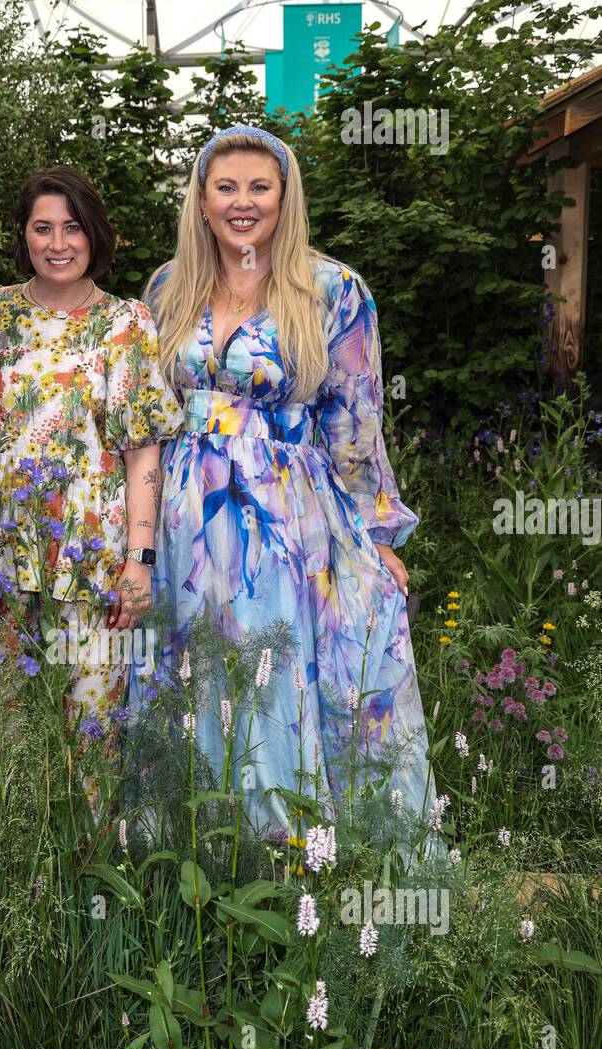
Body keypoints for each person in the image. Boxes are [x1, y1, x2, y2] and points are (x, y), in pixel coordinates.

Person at [129, 124, 434, 834]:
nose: (243, 202)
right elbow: (142, 415)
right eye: (225, 187)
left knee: (274, 665)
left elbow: (355, 420)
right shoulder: (167, 288)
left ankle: (288, 848)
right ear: (201, 202)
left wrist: (379, 532)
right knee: (189, 663)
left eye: (259, 187)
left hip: (283, 516)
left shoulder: (331, 289)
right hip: (182, 514)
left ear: (284, 196)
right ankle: (190, 849)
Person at [0, 166, 182, 812]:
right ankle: (15, 879)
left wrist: (139, 560)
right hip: (1, 559)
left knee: (92, 733)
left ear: (94, 235)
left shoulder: (126, 322)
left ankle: (87, 889)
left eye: (72, 228)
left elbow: (143, 445)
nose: (57, 242)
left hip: (94, 561)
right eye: (43, 228)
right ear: (23, 236)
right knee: (5, 730)